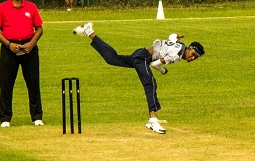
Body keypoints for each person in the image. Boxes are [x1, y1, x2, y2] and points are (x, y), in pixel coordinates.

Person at [71, 23, 205, 134]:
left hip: (141, 54)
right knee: (150, 83)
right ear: (189, 49)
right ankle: (152, 121)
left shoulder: (180, 45)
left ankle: (90, 33)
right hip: (143, 58)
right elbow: (154, 64)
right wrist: (163, 70)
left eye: (195, 58)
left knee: (112, 59)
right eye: (193, 54)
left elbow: (172, 36)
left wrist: (177, 35)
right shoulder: (176, 55)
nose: (192, 58)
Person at [0, 0, 45, 127]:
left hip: (29, 47)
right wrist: (8, 44)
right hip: (10, 48)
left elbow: (39, 28)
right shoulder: (2, 8)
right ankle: (5, 118)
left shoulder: (31, 7)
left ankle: (37, 116)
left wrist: (32, 43)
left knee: (33, 82)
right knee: (6, 83)